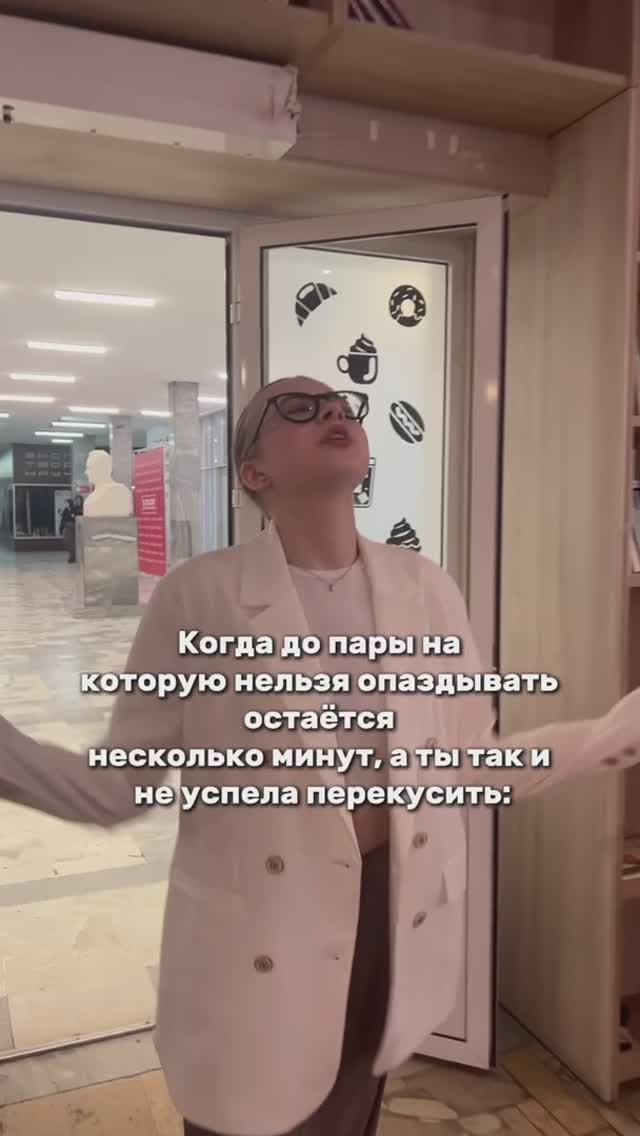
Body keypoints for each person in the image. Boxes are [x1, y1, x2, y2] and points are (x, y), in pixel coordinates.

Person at [0, 374, 639, 1136]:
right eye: (296, 410)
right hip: (260, 925)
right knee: (247, 1112)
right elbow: (117, 789)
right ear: (253, 472)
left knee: (347, 1110)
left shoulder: (427, 587)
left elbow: (470, 764)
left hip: (392, 907)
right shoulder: (198, 596)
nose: (333, 412)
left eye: (340, 405)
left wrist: (613, 734)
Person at [59, 496, 77, 563]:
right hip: (66, 527)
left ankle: (72, 556)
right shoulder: (65, 510)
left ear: (69, 503)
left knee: (71, 542)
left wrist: (72, 515)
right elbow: (63, 519)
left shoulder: (73, 509)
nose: (65, 504)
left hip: (72, 527)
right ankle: (71, 555)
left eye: (66, 503)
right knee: (66, 542)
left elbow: (75, 518)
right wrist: (61, 529)